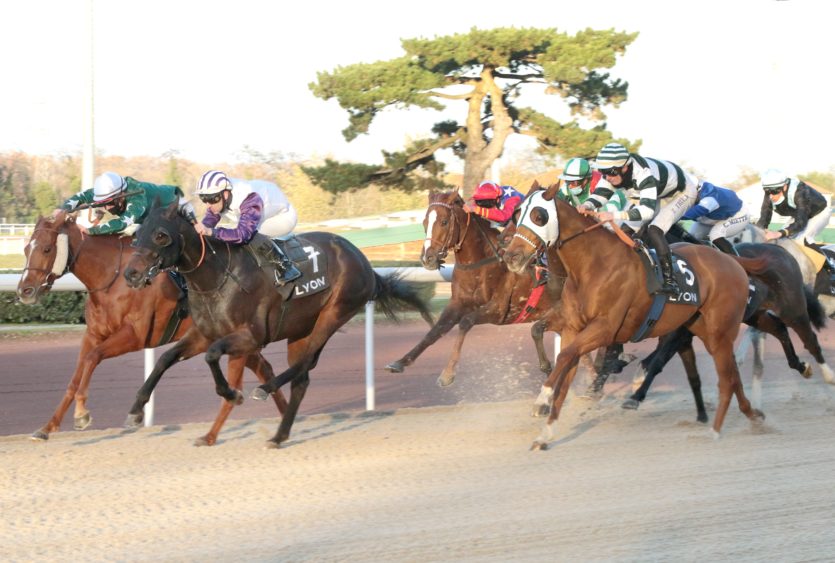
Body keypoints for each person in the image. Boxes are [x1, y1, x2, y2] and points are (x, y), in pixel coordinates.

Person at [589, 142, 702, 296]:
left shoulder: (643, 174)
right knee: (625, 231)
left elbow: (647, 212)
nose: (607, 177)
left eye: (611, 172)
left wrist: (614, 215)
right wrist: (586, 205)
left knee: (654, 230)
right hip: (659, 192)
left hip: (681, 193)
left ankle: (671, 281)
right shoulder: (614, 172)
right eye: (603, 172)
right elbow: (601, 193)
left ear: (625, 167)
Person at [194, 170, 301, 285]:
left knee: (251, 233)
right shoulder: (220, 196)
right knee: (230, 230)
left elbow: (243, 234)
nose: (208, 204)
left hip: (282, 217)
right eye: (203, 199)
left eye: (211, 199)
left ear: (225, 194)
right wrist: (201, 229)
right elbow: (208, 222)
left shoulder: (249, 198)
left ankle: (286, 267)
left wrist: (212, 232)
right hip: (262, 215)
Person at [54, 171, 194, 235]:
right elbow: (82, 196)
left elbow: (122, 223)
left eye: (108, 203)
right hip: (152, 218)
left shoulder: (137, 197)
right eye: (102, 203)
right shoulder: (108, 193)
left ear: (121, 195)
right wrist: (63, 209)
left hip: (177, 207)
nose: (106, 207)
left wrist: (90, 230)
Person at [756, 169, 833, 262]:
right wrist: (757, 233)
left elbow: (801, 222)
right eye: (767, 191)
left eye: (774, 191)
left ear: (784, 186)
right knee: (782, 240)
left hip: (820, 213)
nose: (771, 195)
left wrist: (779, 233)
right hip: (799, 214)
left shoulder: (800, 191)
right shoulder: (770, 194)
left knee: (803, 239)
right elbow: (764, 217)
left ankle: (829, 265)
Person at [681, 182, 750, 255]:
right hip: (715, 218)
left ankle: (738, 262)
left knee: (715, 234)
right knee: (691, 236)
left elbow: (697, 211)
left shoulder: (710, 198)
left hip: (737, 215)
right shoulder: (697, 191)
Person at [557, 157, 629, 215]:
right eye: (567, 181)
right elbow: (556, 200)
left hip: (621, 217)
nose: (570, 186)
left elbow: (613, 207)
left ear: (585, 180)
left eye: (574, 182)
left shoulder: (601, 182)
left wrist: (591, 210)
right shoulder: (566, 187)